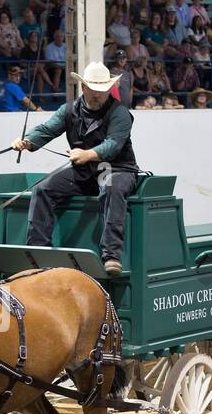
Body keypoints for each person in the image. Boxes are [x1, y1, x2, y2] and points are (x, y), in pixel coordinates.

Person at [9, 61, 139, 276]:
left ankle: (112, 256)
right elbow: (47, 129)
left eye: (102, 90)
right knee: (42, 189)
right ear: (83, 88)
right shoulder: (68, 110)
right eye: (93, 90)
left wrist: (87, 154)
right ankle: (38, 252)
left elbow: (113, 145)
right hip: (85, 172)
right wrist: (27, 142)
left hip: (117, 169)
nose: (98, 94)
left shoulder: (121, 113)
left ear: (108, 89)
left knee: (110, 187)